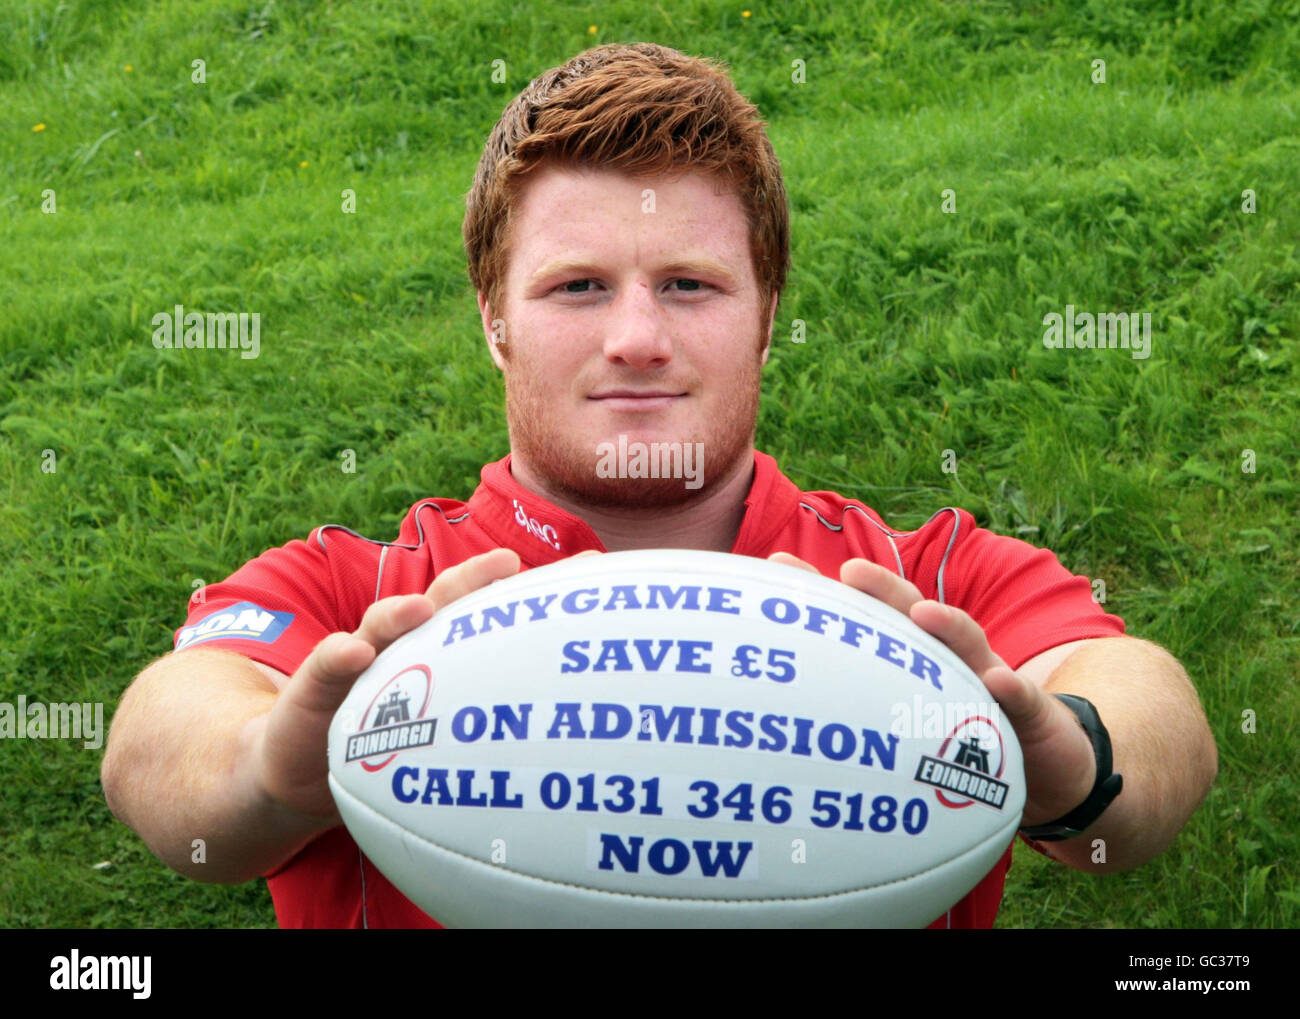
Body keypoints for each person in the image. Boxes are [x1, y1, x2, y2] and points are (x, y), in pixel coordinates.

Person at [101, 42, 1217, 929]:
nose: (636, 337)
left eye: (689, 284)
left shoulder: (924, 589)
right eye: (577, 286)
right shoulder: (364, 597)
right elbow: (163, 735)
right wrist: (272, 766)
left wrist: (1069, 757)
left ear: (766, 318)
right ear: (494, 321)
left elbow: (1147, 699)